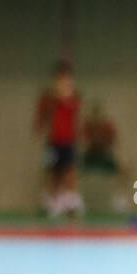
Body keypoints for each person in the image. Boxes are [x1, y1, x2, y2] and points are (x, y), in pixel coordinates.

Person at [34, 60, 83, 218]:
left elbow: (74, 112)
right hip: (53, 142)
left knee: (70, 172)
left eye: (67, 79)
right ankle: (52, 203)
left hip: (69, 141)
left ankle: (71, 202)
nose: (63, 82)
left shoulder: (74, 96)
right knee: (53, 173)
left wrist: (64, 97)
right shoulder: (48, 97)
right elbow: (41, 118)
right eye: (60, 79)